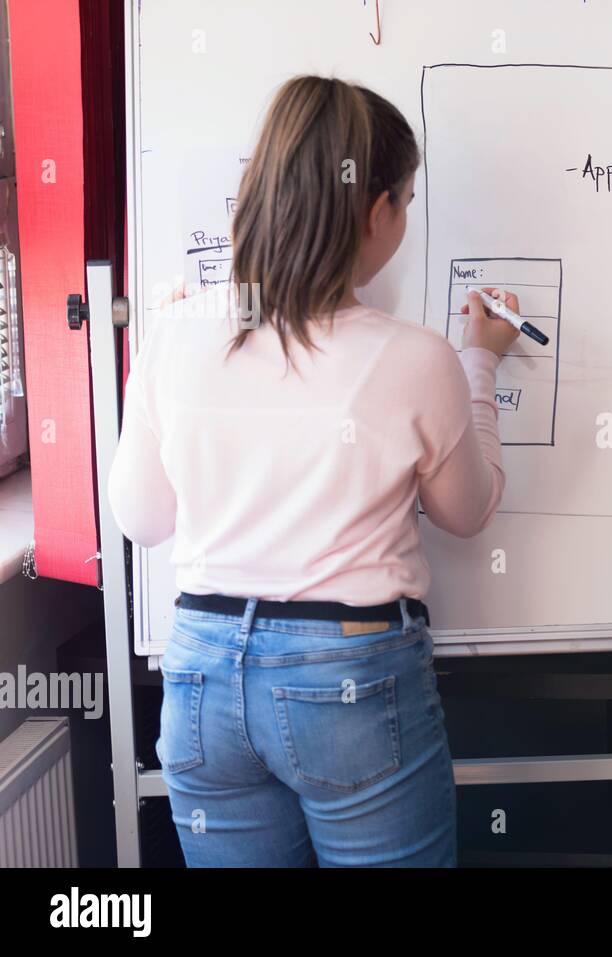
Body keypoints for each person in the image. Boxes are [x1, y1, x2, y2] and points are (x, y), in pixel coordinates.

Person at [108, 76, 520, 866]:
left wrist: (152, 362)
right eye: (405, 199)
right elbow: (467, 510)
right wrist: (478, 362)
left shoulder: (176, 333)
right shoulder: (415, 358)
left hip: (199, 675)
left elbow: (143, 520)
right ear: (375, 211)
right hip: (348, 674)